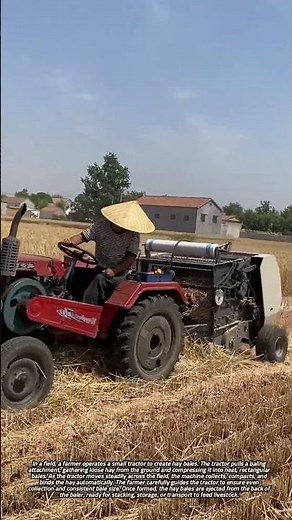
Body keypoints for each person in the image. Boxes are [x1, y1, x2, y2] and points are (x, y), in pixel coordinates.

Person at [64, 200, 155, 305]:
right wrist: (70, 242)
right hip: (100, 267)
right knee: (76, 274)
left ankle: (87, 310)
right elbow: (82, 236)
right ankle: (70, 302)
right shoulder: (100, 227)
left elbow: (130, 259)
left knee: (99, 280)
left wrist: (114, 271)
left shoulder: (133, 235)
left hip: (120, 274)